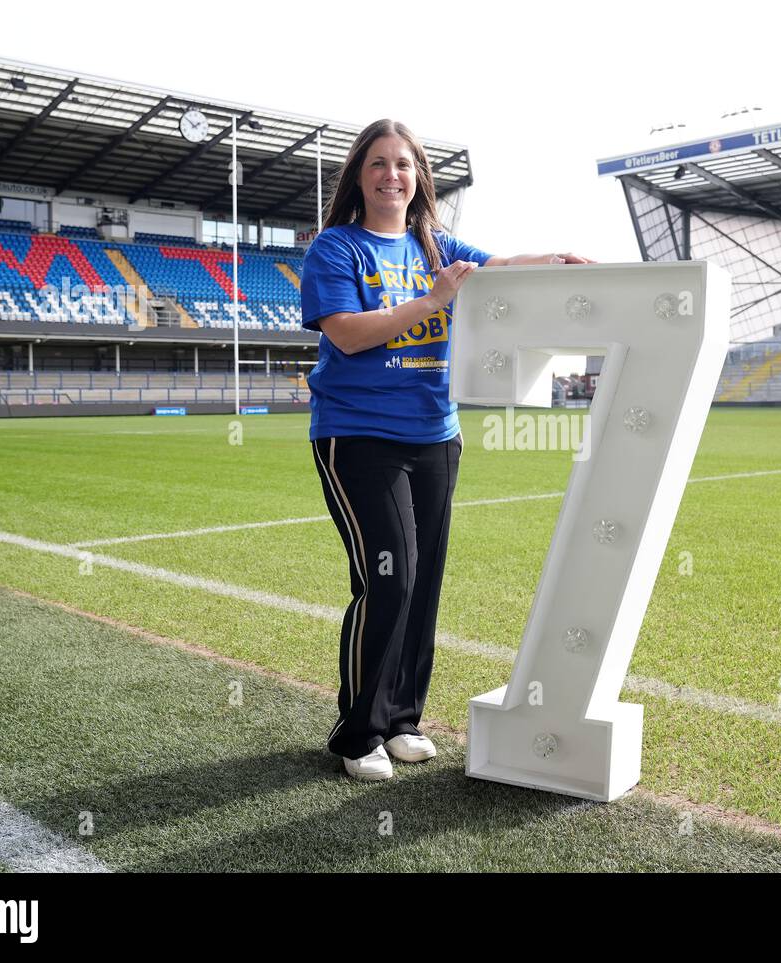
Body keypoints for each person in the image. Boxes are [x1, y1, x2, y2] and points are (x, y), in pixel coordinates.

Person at [300, 118, 594, 781]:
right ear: (360, 175)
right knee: (388, 577)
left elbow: (498, 271)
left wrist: (555, 260)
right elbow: (347, 334)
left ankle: (402, 718)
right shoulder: (336, 248)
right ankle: (358, 733)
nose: (391, 175)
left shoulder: (436, 243)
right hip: (358, 436)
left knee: (423, 583)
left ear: (419, 178)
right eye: (378, 163)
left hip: (436, 435)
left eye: (403, 164)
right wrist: (433, 298)